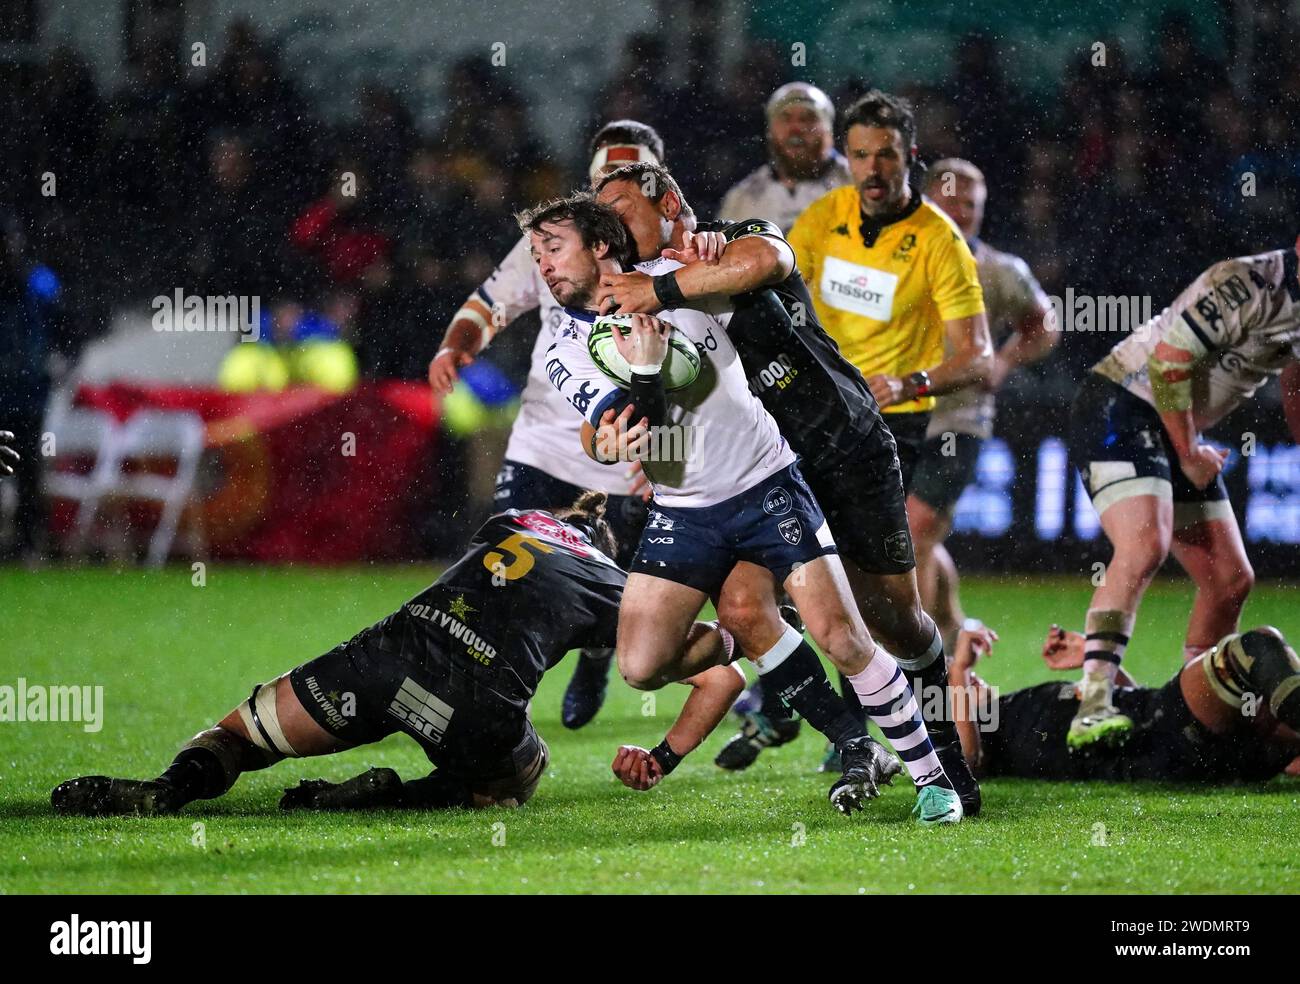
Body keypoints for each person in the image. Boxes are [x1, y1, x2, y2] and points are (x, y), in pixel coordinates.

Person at [520, 192, 963, 824]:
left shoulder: (679, 280)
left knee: (842, 636)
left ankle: (932, 780)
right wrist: (612, 426)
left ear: (598, 247)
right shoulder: (562, 345)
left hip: (768, 485)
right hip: (685, 511)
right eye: (536, 253)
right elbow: (620, 424)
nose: (544, 264)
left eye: (553, 247)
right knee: (642, 666)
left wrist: (703, 252)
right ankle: (739, 654)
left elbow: (765, 262)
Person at [51, 493, 745, 816]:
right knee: (519, 778)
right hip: (476, 707)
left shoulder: (517, 521)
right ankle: (390, 797)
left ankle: (170, 788)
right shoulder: (620, 585)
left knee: (240, 735)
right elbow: (718, 676)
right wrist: (739, 632)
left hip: (383, 658)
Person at [428, 121, 700, 732]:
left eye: (628, 181)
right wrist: (458, 344)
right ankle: (489, 699)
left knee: (615, 593)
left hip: (635, 451)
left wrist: (667, 450)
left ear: (657, 186)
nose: (613, 193)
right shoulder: (555, 239)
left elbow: (705, 371)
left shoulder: (683, 253)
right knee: (501, 562)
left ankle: (601, 655)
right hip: (546, 441)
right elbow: (489, 302)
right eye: (604, 178)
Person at [1067, 239, 1300, 749]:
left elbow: (1294, 382)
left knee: (1230, 579)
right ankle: (1093, 704)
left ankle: (1198, 718)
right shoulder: (1247, 282)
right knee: (1144, 545)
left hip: (1175, 422)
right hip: (1123, 406)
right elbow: (1169, 361)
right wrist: (1190, 449)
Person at [786, 89, 992, 491]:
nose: (873, 169)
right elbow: (777, 293)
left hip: (892, 420)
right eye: (861, 156)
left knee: (866, 551)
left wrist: (907, 384)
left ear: (910, 156)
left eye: (887, 155)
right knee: (794, 543)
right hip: (822, 405)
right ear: (847, 157)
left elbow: (979, 357)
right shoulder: (824, 214)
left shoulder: (940, 240)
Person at [908, 159, 1055, 655]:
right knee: (915, 537)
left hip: (961, 419)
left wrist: (1006, 361)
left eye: (972, 204)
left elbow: (1044, 322)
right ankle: (948, 625)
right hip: (896, 418)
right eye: (952, 200)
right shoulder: (897, 258)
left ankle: (916, 662)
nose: (963, 211)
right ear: (926, 200)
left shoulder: (999, 270)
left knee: (916, 531)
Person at [949, 622, 1300, 783]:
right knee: (1253, 649)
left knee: (1280, 719)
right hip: (1165, 737)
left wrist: (1096, 661)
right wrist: (960, 669)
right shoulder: (972, 736)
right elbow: (966, 762)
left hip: (1171, 738)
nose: (967, 679)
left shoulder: (1011, 711)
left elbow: (1126, 705)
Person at [718, 82, 852, 235]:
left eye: (808, 118)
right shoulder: (743, 200)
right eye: (785, 118)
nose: (796, 128)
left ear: (828, 130)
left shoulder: (857, 185)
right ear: (770, 131)